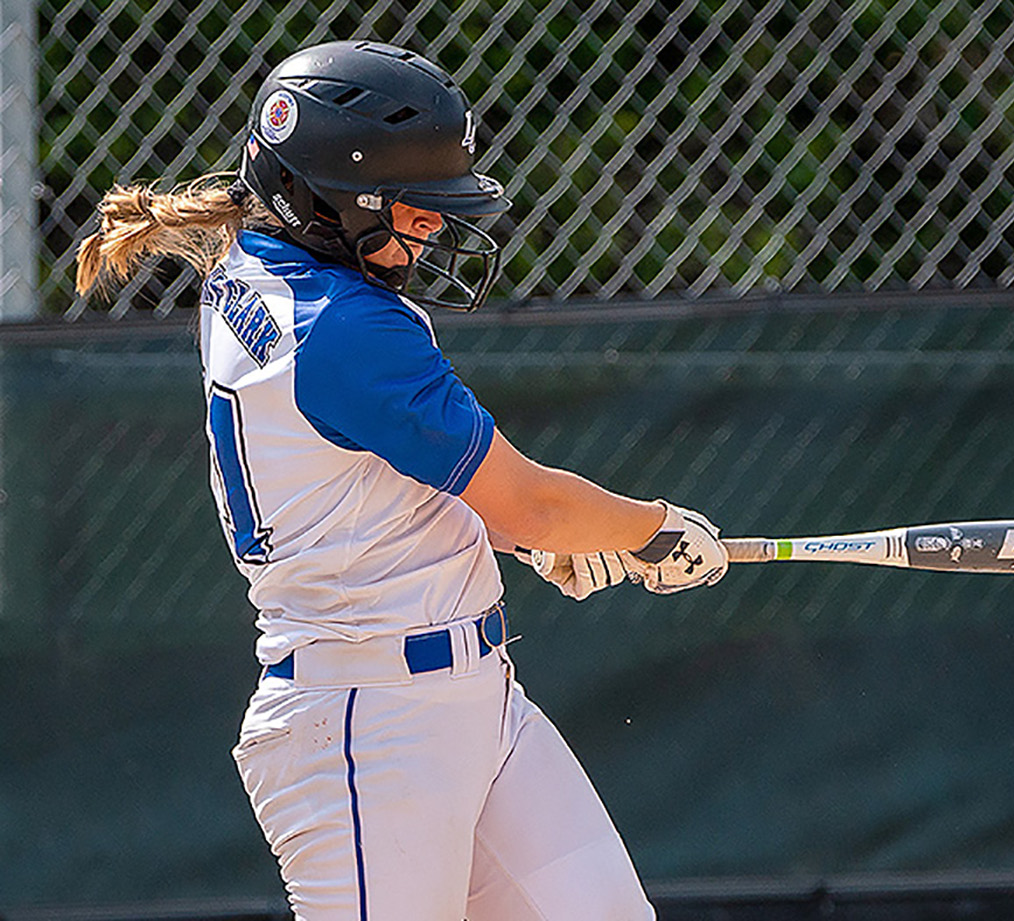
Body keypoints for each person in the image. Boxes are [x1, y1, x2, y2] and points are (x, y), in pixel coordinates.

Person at [76, 39, 728, 921]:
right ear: (330, 200)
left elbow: (369, 481)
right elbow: (528, 495)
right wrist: (649, 529)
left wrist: (529, 540)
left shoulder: (262, 266)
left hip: (476, 703)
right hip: (367, 726)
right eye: (411, 207)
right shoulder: (341, 329)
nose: (430, 227)